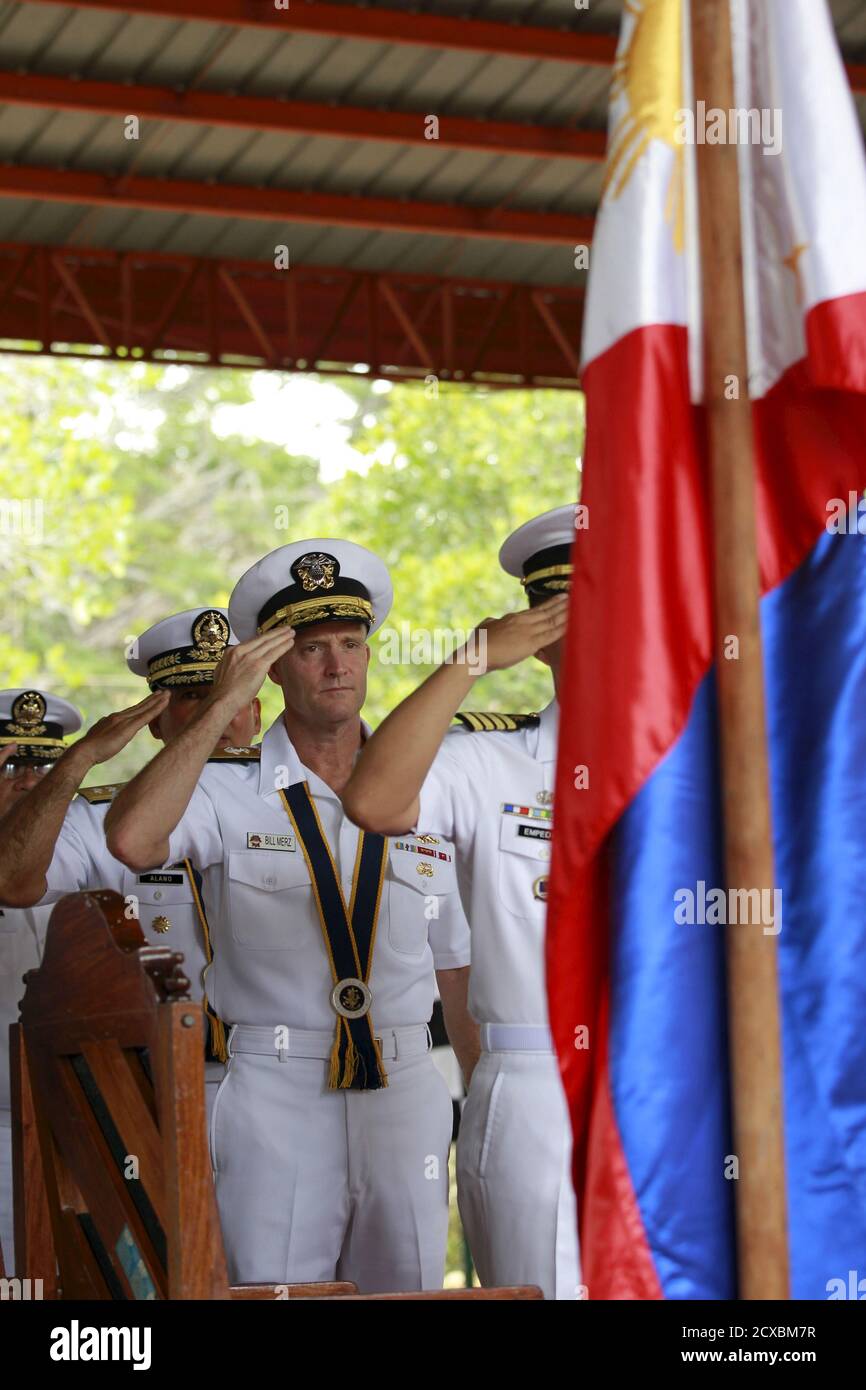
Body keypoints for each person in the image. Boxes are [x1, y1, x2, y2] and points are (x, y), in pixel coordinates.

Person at [106, 540, 478, 1292]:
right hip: (276, 1082)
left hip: (405, 1080)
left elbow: (456, 961)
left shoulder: (429, 784)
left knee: (404, 1289)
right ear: (271, 669)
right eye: (311, 650)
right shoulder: (222, 784)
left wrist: (480, 1092)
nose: (338, 666)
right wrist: (215, 707)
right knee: (271, 1289)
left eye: (351, 645)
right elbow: (132, 839)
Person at [342, 505, 579, 1299]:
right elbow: (374, 801)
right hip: (540, 1076)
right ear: (543, 634)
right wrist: (468, 661)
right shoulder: (492, 762)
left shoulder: (707, 756)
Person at [0, 609, 262, 1114]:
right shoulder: (102, 819)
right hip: (147, 1088)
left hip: (286, 1080)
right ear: (154, 724)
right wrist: (77, 760)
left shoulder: (306, 812)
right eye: (194, 698)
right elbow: (12, 881)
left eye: (229, 697)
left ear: (254, 714)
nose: (217, 715)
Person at [0, 690, 82, 1271]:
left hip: (81, 1118)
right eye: (11, 764)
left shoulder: (91, 853)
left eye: (44, 765)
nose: (30, 781)